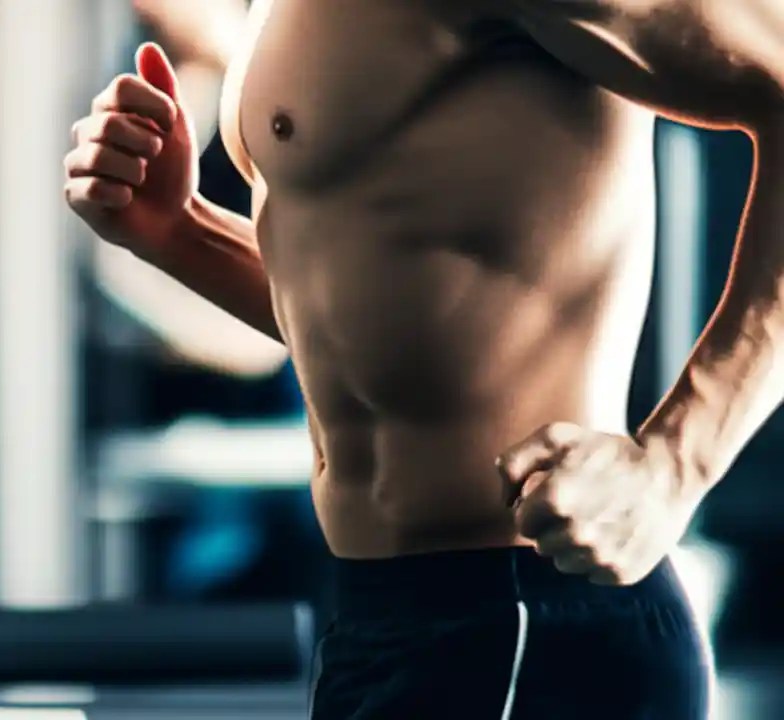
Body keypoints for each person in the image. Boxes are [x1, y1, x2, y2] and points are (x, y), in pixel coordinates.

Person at [64, 0, 784, 717]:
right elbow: (366, 315)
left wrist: (674, 466)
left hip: (528, 612)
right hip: (379, 615)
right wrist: (178, 231)